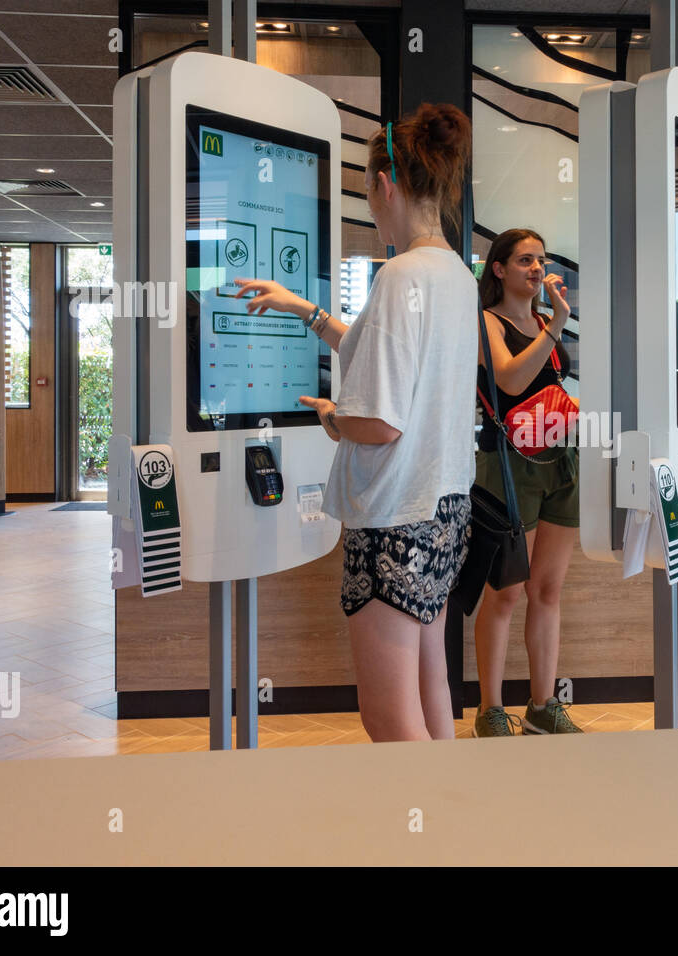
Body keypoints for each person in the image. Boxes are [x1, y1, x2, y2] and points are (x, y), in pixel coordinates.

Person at [233, 103, 475, 743]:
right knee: (432, 691)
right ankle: (454, 831)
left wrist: (335, 420)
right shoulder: (455, 275)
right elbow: (386, 359)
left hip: (395, 518)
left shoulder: (399, 275)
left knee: (389, 719)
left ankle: (426, 837)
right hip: (445, 511)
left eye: (367, 191)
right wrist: (306, 311)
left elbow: (380, 424)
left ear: (385, 184)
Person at [472, 228, 583, 737]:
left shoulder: (542, 321)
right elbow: (510, 380)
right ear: (498, 269)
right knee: (507, 593)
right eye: (524, 261)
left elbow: (550, 385)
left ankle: (542, 705)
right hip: (510, 467)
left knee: (548, 589)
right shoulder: (487, 322)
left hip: (562, 460)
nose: (536, 269)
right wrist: (556, 326)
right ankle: (491, 710)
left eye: (540, 260)